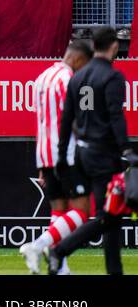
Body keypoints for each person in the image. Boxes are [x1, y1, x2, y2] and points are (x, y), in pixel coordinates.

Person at [47, 27, 131, 275]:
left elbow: (66, 120)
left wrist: (62, 157)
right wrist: (126, 147)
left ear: (94, 46)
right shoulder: (112, 77)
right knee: (110, 214)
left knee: (111, 214)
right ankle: (61, 250)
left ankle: (113, 270)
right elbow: (116, 116)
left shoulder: (77, 77)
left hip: (81, 154)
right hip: (104, 155)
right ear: (114, 46)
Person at [18, 38, 95, 274]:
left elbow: (42, 120)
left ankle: (60, 267)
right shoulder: (67, 80)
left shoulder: (42, 78)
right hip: (66, 154)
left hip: (45, 154)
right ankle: (37, 246)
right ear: (79, 59)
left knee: (59, 212)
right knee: (83, 211)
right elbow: (70, 120)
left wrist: (42, 163)